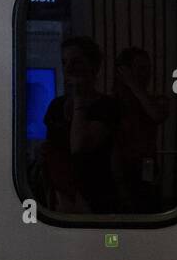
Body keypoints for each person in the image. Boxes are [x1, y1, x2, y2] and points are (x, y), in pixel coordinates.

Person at [40, 36, 121, 214]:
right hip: (61, 198)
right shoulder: (56, 105)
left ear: (93, 66)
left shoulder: (107, 106)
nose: (68, 68)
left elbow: (79, 145)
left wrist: (79, 98)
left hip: (97, 197)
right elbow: (50, 155)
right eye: (64, 62)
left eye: (76, 62)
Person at [111, 47, 171, 213]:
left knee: (147, 207)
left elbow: (157, 114)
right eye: (141, 68)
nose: (147, 74)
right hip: (118, 168)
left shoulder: (157, 100)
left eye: (148, 68)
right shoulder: (113, 104)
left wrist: (133, 85)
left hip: (146, 164)